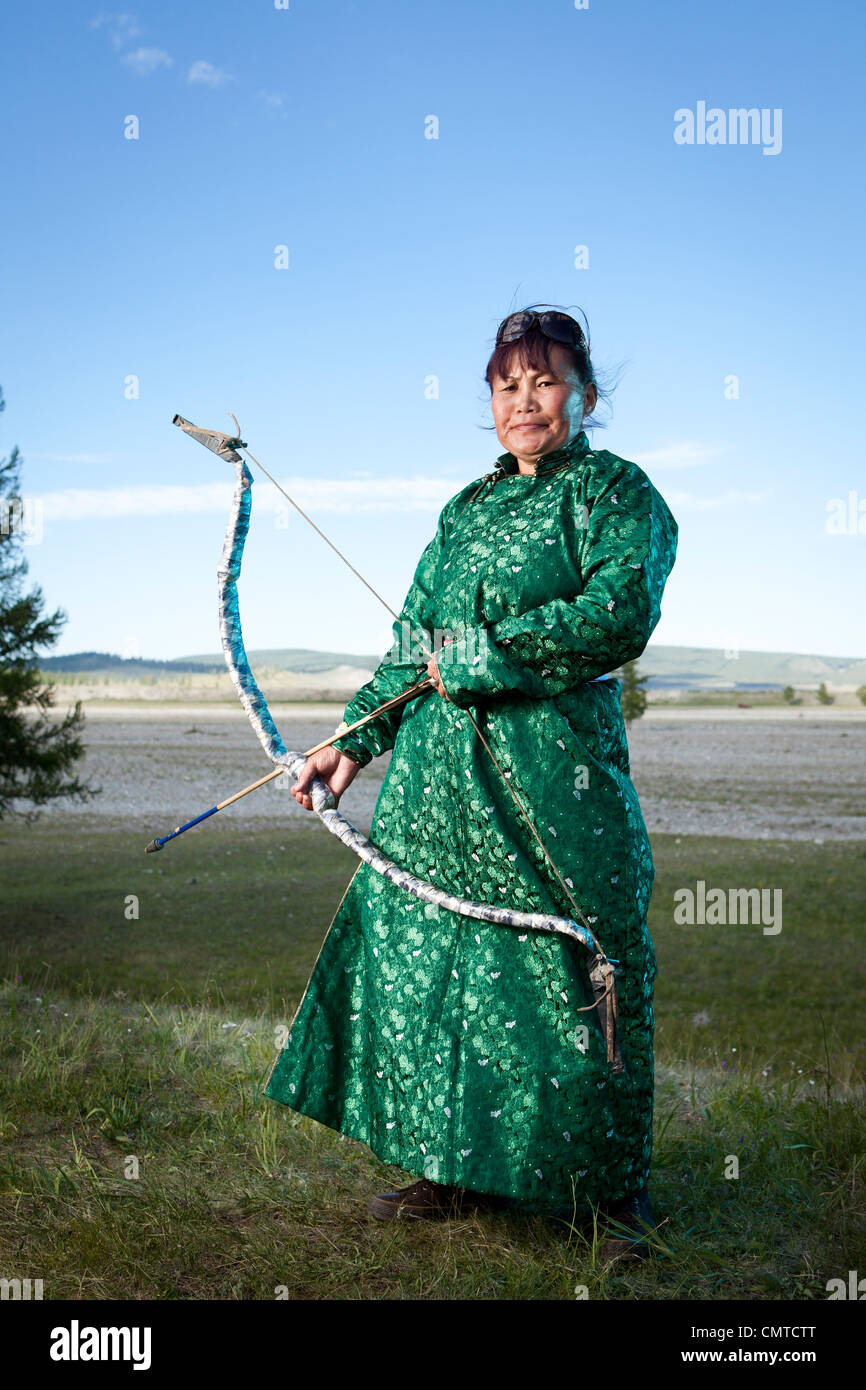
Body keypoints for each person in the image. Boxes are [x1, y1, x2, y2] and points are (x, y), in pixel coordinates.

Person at [264, 305, 678, 1249]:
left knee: (586, 964)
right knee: (441, 968)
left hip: (551, 781)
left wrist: (487, 653)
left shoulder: (617, 493)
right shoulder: (466, 509)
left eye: (545, 381)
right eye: (507, 385)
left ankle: (615, 1194)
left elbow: (619, 613)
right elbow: (413, 643)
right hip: (435, 788)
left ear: (584, 392)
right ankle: (451, 1166)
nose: (525, 401)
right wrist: (349, 745)